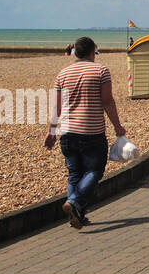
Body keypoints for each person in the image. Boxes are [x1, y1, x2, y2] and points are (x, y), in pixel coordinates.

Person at [44, 37, 127, 230]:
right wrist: (117, 126)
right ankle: (74, 202)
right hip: (92, 132)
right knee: (94, 171)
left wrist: (51, 132)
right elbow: (107, 101)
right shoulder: (101, 71)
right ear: (93, 51)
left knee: (74, 173)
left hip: (68, 133)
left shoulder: (63, 73)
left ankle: (77, 215)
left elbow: (57, 106)